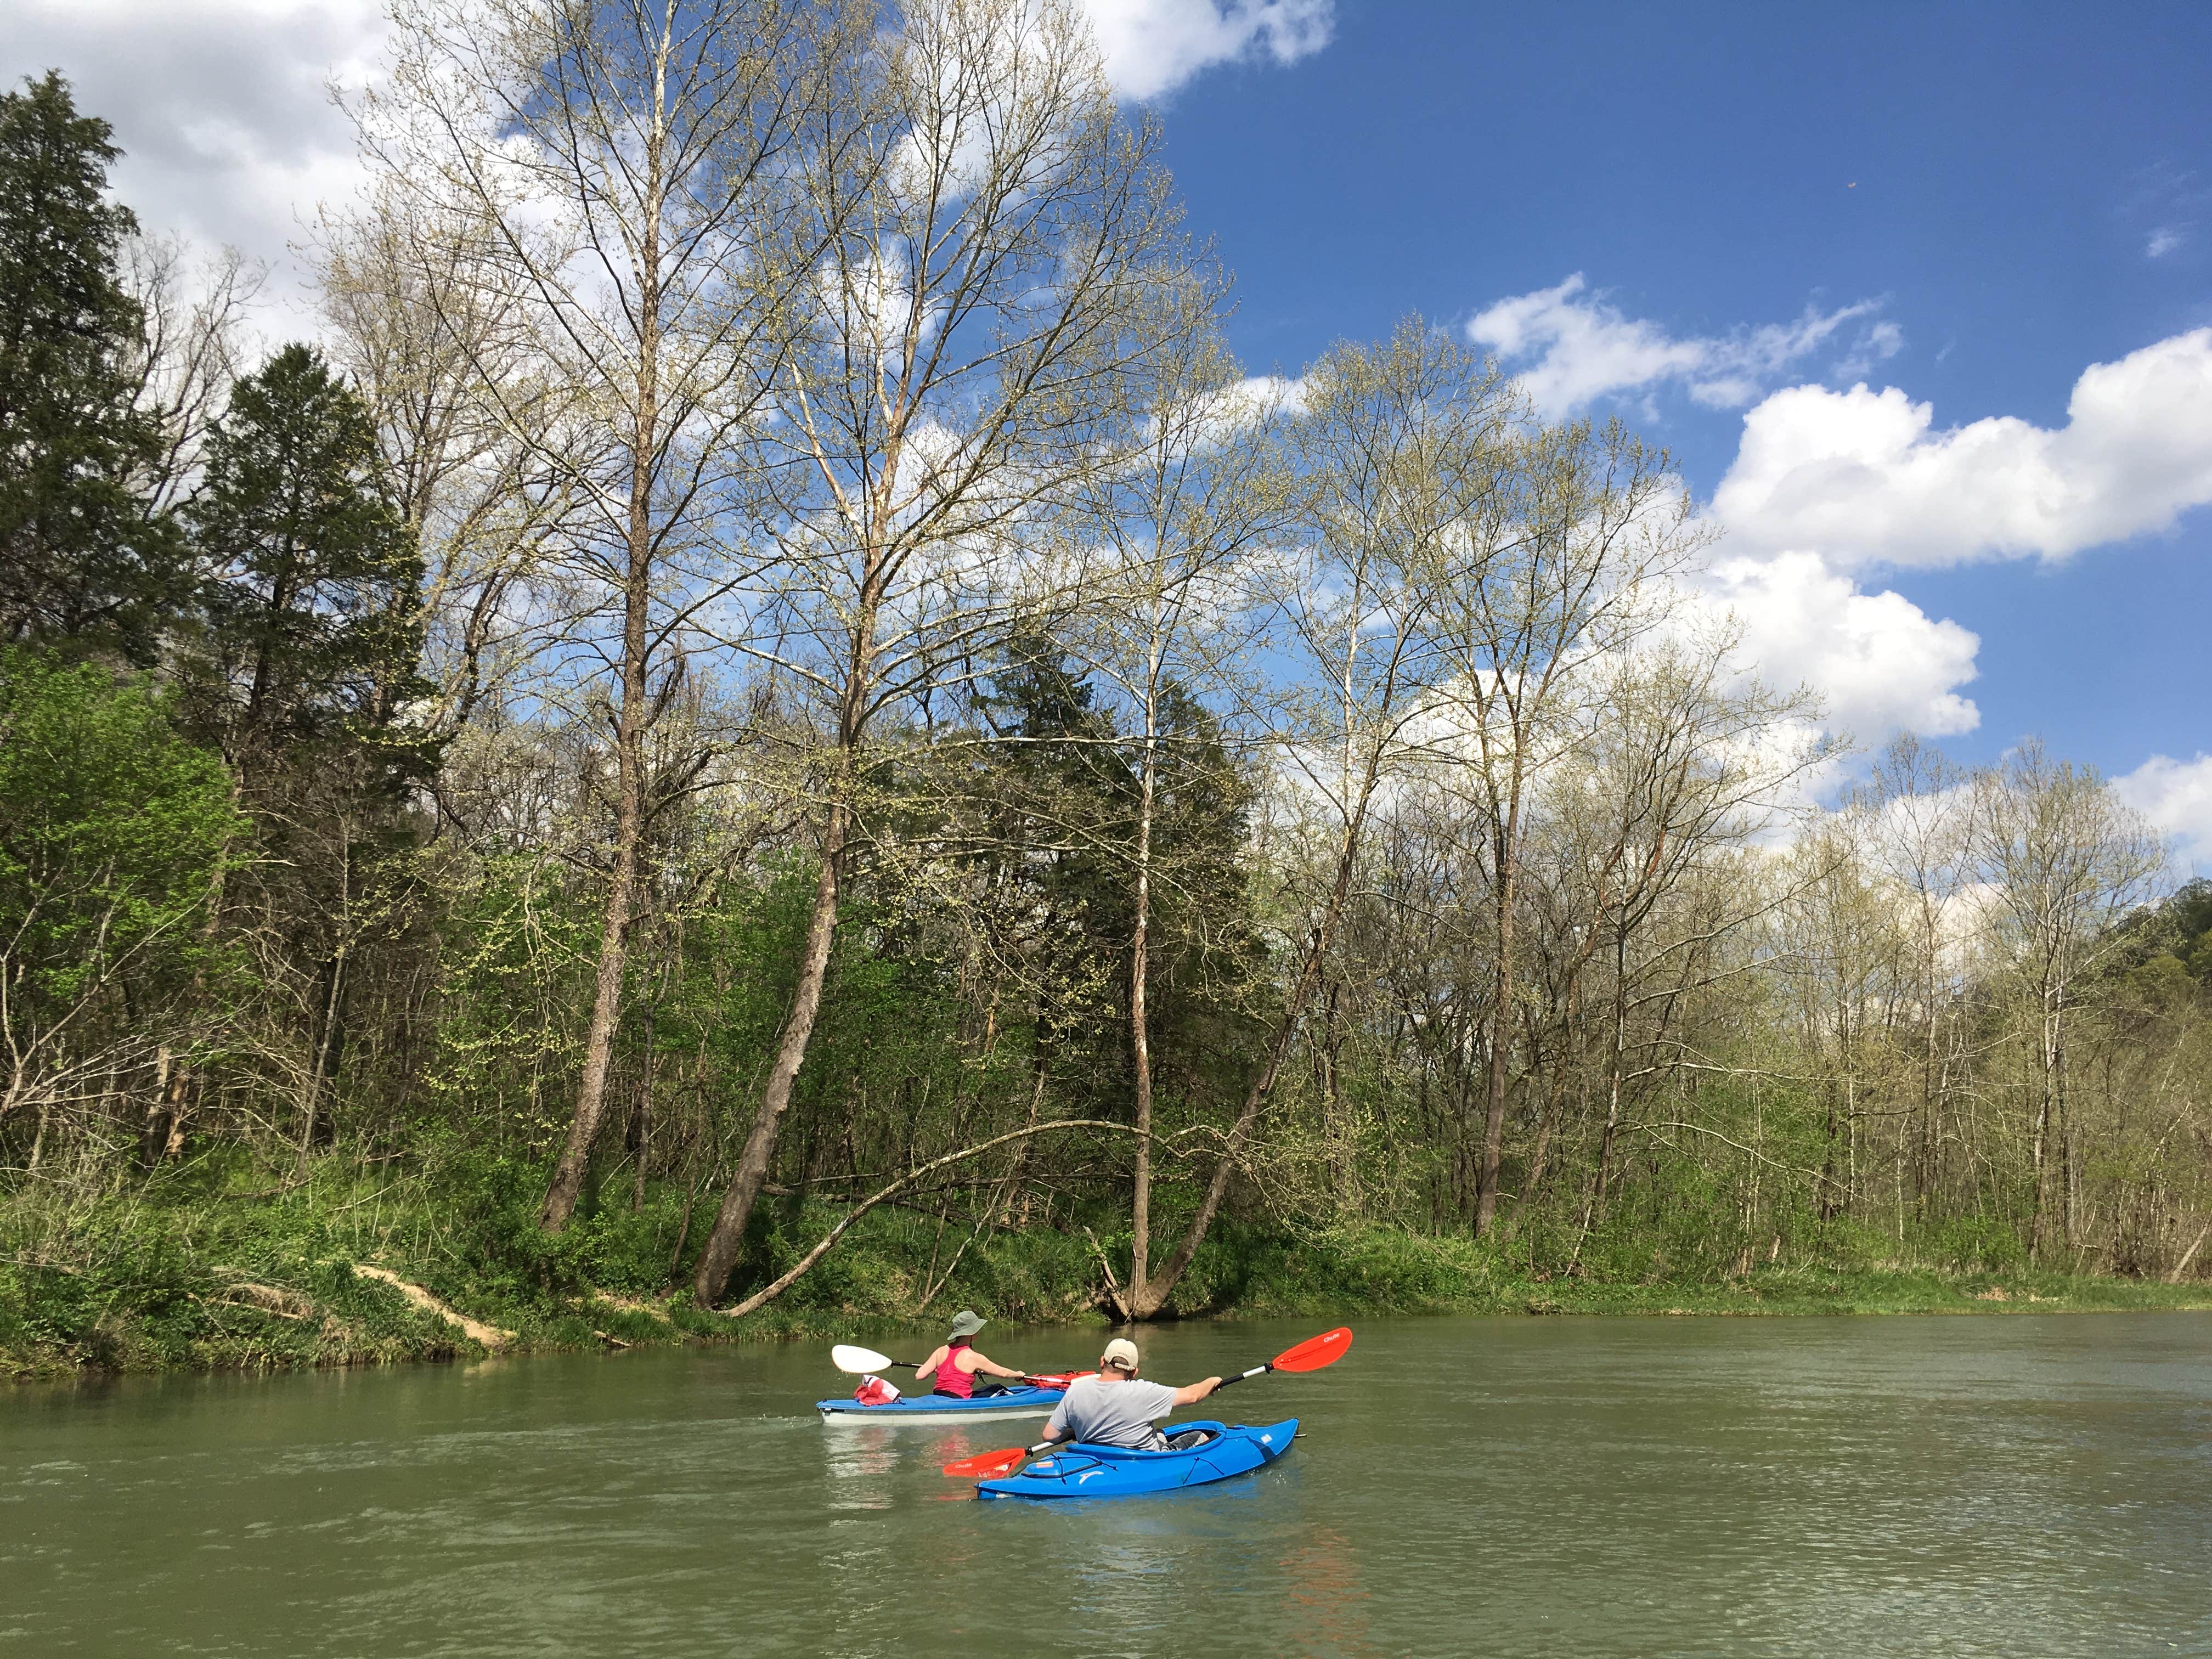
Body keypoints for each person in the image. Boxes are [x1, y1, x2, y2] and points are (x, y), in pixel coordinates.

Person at [1040, 1338, 1222, 1451]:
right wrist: (1213, 1381)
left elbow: (1049, 1435)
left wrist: (1076, 1430)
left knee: (1158, 1434)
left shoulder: (1075, 1391)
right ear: (1134, 1372)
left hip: (1097, 1456)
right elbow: (1192, 1396)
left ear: (1102, 1362)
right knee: (1201, 1435)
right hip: (1143, 1460)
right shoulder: (1143, 1391)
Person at [914, 1310, 1028, 1399]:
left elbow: (920, 1376)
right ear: (972, 1332)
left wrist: (938, 1369)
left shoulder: (941, 1351)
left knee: (984, 1389)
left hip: (938, 1395)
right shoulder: (973, 1357)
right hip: (959, 1399)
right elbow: (1003, 1373)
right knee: (999, 1388)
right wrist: (1018, 1374)